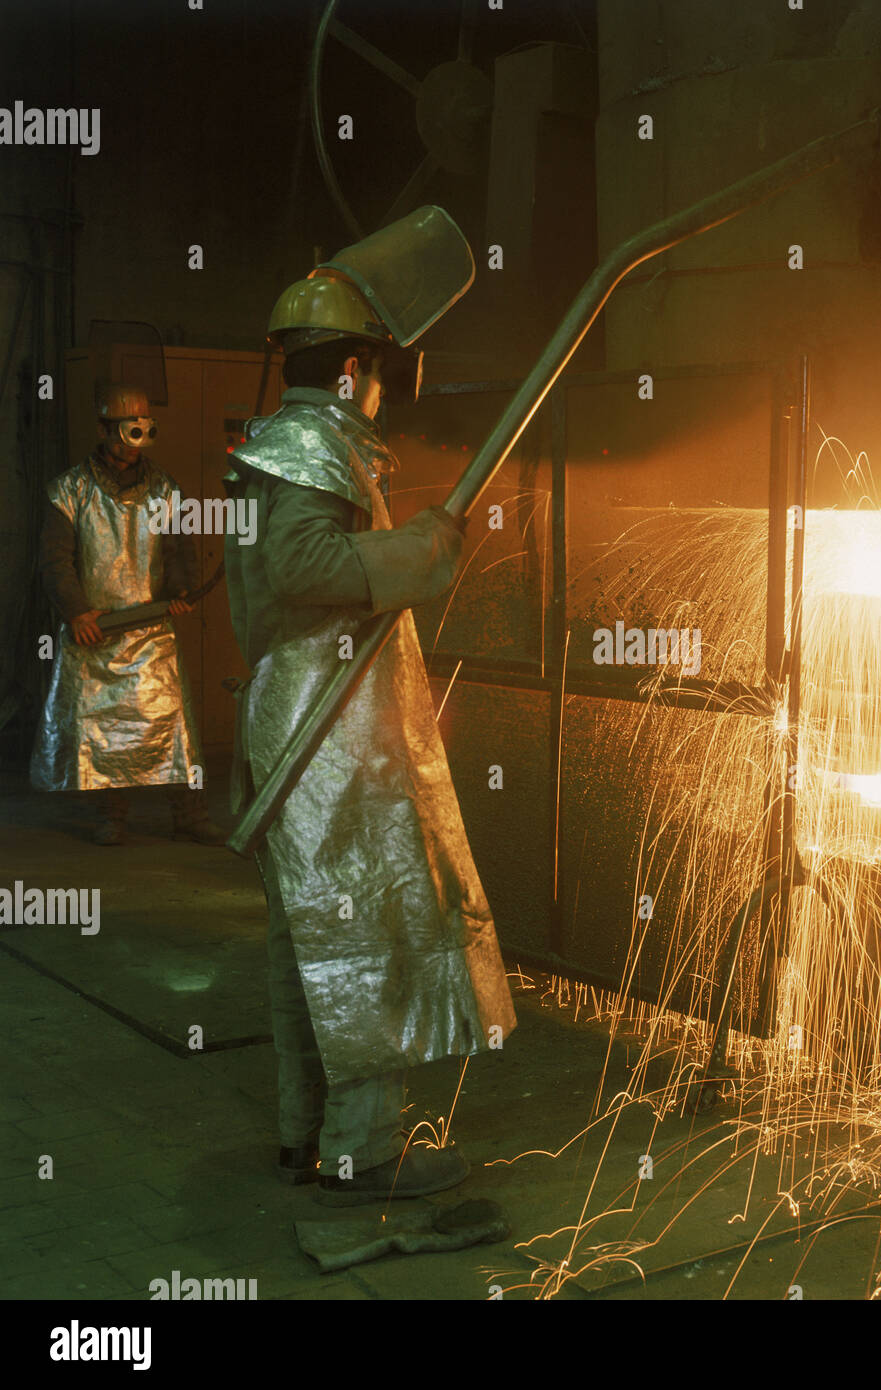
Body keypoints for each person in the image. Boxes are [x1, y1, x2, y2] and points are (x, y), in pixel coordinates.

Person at [223, 207, 515, 1206]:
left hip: (293, 713)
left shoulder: (277, 438)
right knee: (370, 932)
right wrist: (421, 550)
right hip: (327, 730)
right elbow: (304, 567)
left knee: (311, 938)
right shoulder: (313, 440)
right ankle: (366, 1151)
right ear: (356, 368)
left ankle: (305, 1135)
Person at [31, 383, 224, 846]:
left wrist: (179, 590)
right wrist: (78, 612)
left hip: (150, 631)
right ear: (104, 429)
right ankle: (111, 815)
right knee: (105, 733)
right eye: (126, 426)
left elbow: (180, 550)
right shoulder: (70, 490)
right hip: (96, 633)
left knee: (173, 727)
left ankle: (188, 813)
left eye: (142, 426)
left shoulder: (164, 488)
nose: (134, 435)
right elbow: (55, 561)